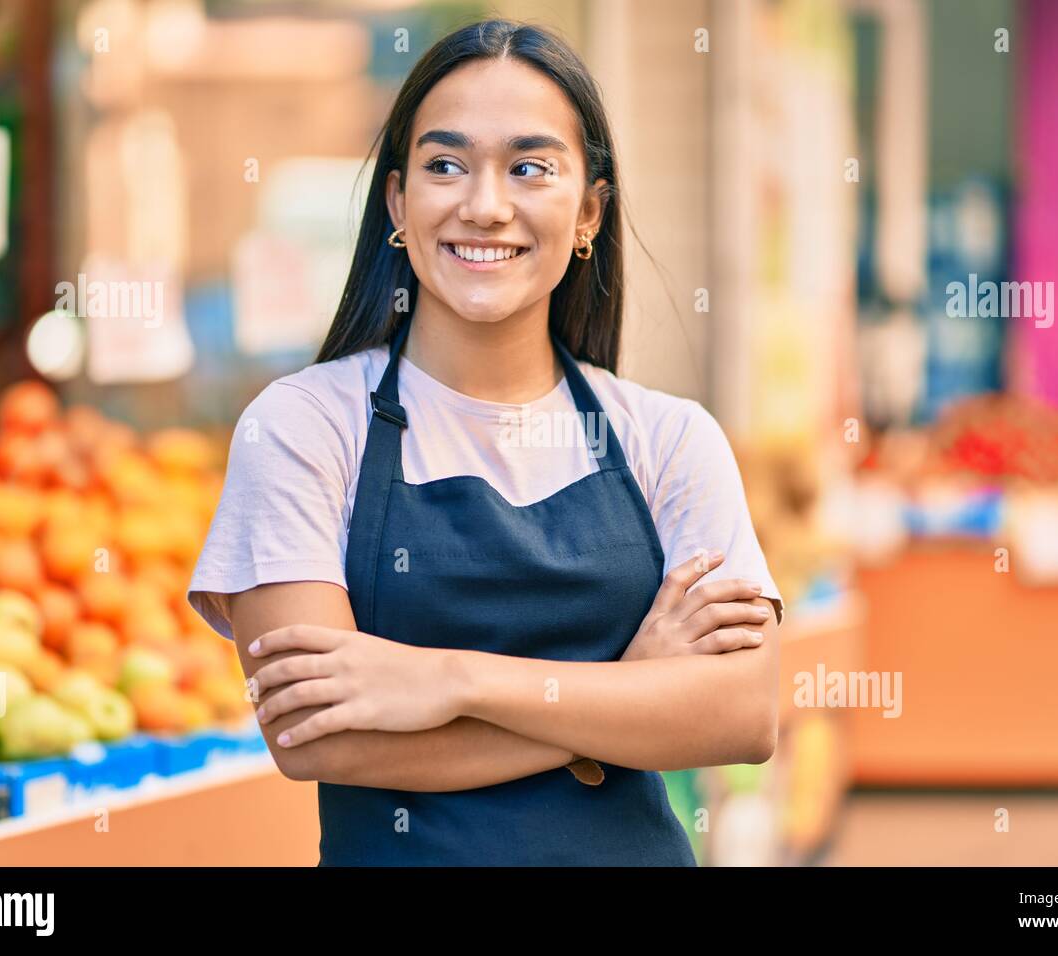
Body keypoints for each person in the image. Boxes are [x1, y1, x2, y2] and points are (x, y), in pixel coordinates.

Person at [187, 17, 783, 866]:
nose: (485, 205)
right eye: (445, 165)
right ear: (397, 203)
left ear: (588, 212)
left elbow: (742, 714)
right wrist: (621, 702)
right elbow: (312, 735)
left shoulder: (670, 439)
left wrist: (446, 680)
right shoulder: (303, 428)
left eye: (530, 167)